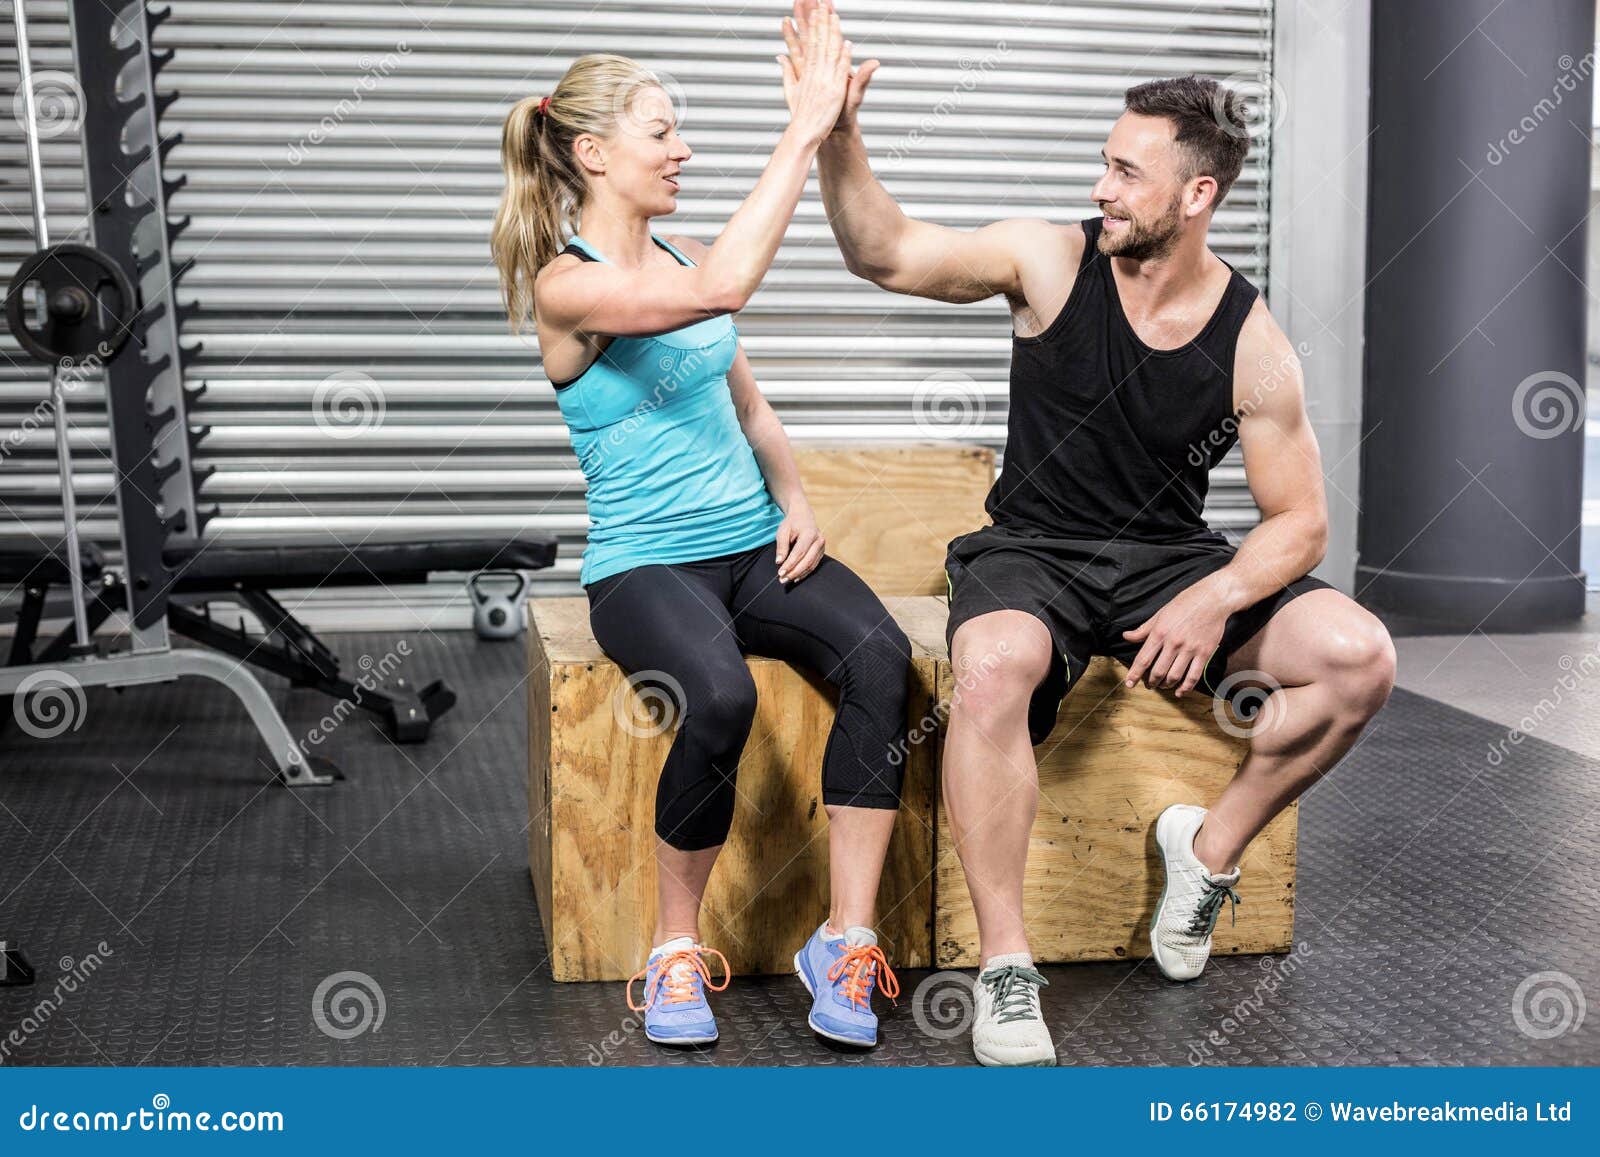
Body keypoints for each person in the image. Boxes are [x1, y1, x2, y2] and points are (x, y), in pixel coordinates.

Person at [785, 0, 1396, 1066]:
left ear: (1196, 194)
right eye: (1102, 164)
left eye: (1125, 172)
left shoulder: (1253, 342)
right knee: (992, 666)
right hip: (1033, 550)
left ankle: (1204, 856)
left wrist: (1211, 596)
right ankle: (1007, 966)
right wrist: (838, 134)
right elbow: (884, 253)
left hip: (1169, 561)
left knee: (1357, 658)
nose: (1098, 188)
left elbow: (1301, 520)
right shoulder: (1047, 259)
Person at [491, 6, 907, 1051]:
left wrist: (798, 500)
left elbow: (750, 404)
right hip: (646, 566)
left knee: (880, 655)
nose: (684, 149)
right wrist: (803, 129)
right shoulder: (568, 283)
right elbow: (726, 283)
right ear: (592, 153)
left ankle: (845, 936)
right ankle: (674, 946)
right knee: (716, 695)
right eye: (662, 132)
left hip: (753, 545)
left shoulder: (675, 255)